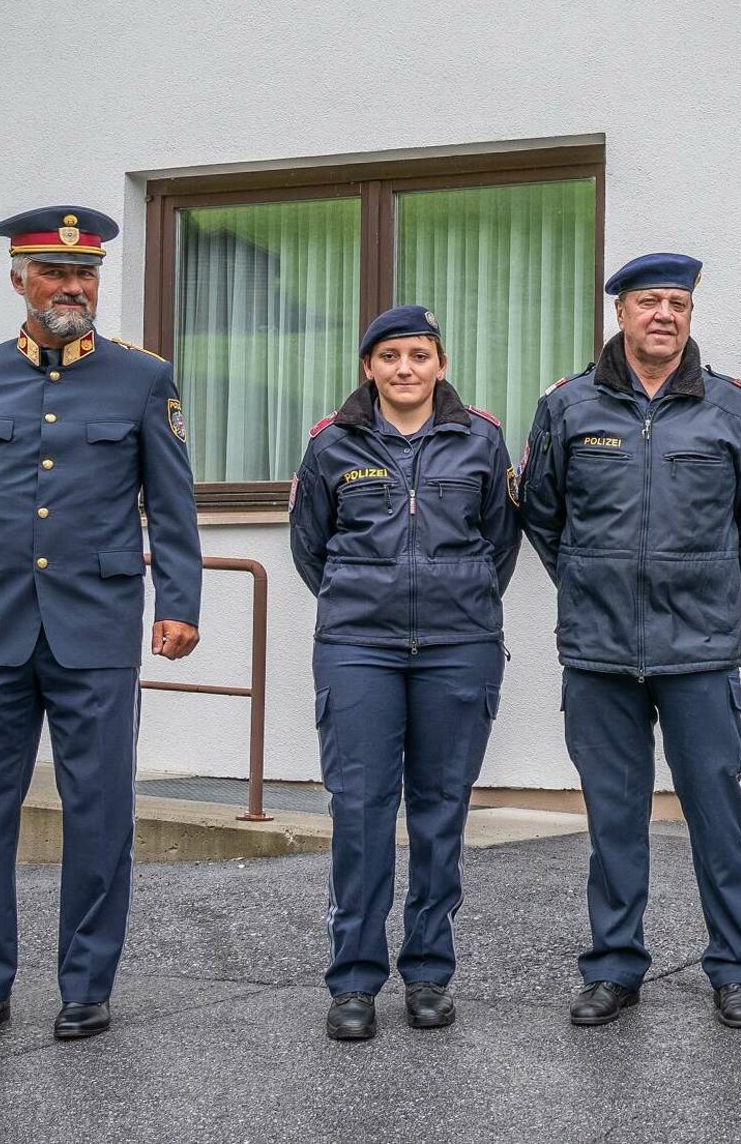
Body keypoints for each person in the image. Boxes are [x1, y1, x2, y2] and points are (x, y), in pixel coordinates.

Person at [0, 206, 202, 1044]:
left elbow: (171, 507)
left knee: (99, 814)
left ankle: (86, 984)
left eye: (85, 274)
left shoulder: (143, 378)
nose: (72, 287)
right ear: (18, 279)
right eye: (55, 273)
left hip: (96, 629)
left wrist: (179, 602)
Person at [520, 253, 741, 1030]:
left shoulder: (734, 408)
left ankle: (736, 970)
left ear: (690, 314)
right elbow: (541, 512)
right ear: (622, 313)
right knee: (614, 818)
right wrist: (587, 579)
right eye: (648, 302)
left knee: (718, 815)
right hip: (599, 650)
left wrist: (708, 578)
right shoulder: (569, 406)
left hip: (700, 648)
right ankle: (613, 967)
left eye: (676, 302)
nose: (663, 314)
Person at [289, 304, 521, 1041]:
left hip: (459, 645)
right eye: (389, 356)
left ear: (440, 365)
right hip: (360, 645)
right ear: (369, 368)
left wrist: (460, 602)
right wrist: (368, 601)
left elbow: (499, 543)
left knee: (440, 810)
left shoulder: (481, 440)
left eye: (419, 355)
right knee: (358, 811)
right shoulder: (332, 444)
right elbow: (310, 550)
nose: (405, 369)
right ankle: (354, 980)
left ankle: (427, 973)